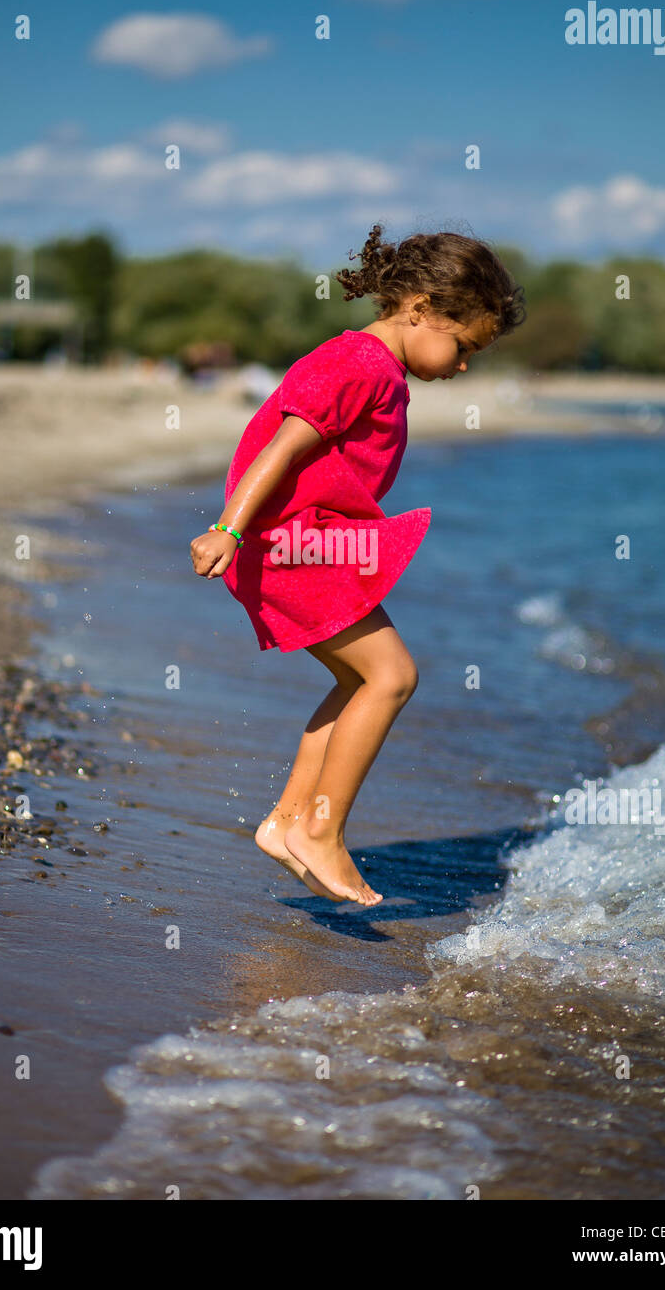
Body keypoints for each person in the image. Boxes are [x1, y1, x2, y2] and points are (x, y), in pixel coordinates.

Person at [190, 224, 526, 906]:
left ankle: (288, 822)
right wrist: (227, 526)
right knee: (394, 675)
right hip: (290, 545)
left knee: (357, 682)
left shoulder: (373, 366)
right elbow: (283, 446)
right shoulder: (361, 365)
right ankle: (323, 831)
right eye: (463, 347)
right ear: (423, 309)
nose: (462, 366)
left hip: (305, 544)